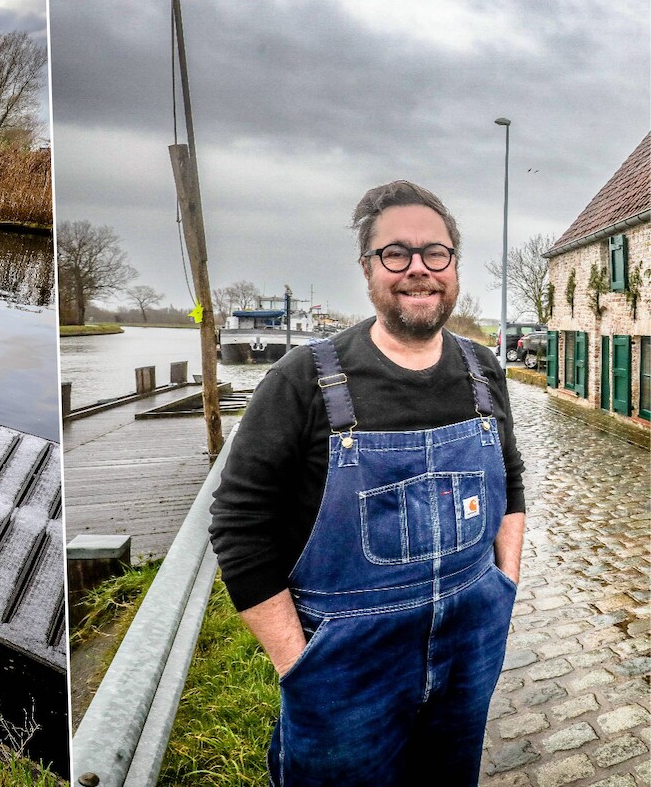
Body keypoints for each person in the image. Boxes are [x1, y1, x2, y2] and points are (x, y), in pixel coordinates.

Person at [208, 180, 525, 786]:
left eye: (436, 253)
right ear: (368, 268)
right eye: (395, 253)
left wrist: (504, 583)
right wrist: (298, 665)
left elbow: (511, 476)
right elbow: (239, 524)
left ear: (454, 265)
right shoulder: (303, 380)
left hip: (470, 641)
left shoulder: (483, 370)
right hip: (345, 666)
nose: (418, 270)